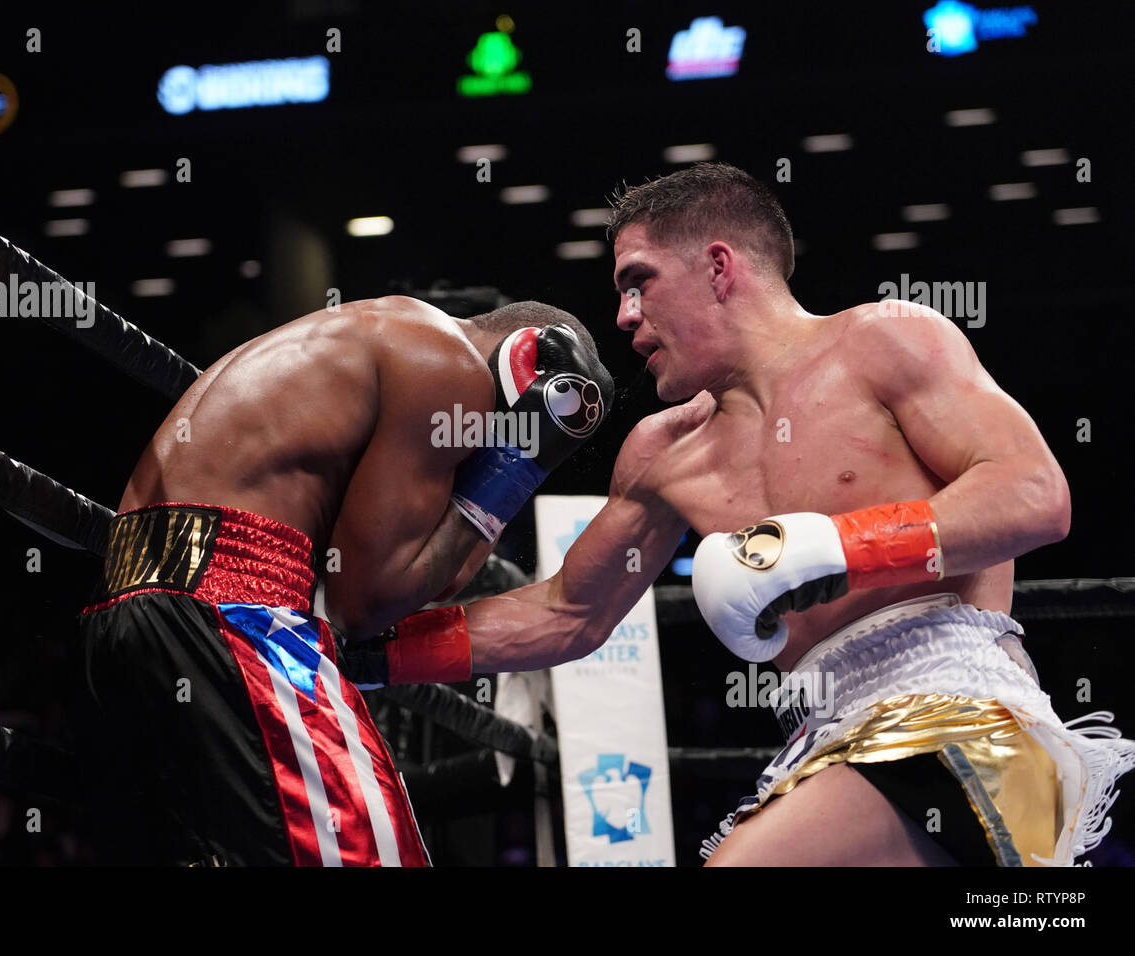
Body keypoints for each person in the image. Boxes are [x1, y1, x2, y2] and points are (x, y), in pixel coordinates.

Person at [379, 162, 1135, 865]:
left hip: (960, 713)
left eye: (638, 283)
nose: (622, 316)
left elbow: (1035, 495)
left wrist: (836, 545)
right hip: (828, 739)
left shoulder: (883, 340)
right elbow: (567, 612)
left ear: (718, 267)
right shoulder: (664, 454)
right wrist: (374, 653)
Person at [77, 294, 613, 866]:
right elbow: (367, 605)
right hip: (234, 616)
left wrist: (505, 477)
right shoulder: (450, 369)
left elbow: (439, 576)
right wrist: (516, 467)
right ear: (523, 366)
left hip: (126, 613)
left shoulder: (381, 335)